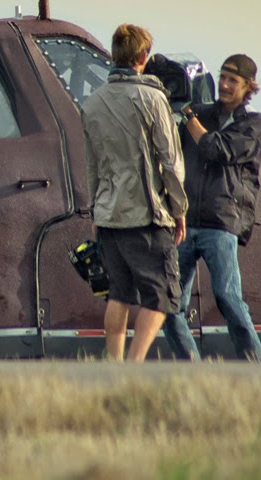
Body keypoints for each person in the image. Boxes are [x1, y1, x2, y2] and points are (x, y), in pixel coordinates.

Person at [81, 24, 187, 362]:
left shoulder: (92, 103)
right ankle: (135, 363)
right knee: (162, 296)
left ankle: (114, 364)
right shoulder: (153, 98)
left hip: (109, 215)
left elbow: (92, 166)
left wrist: (96, 212)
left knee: (118, 294)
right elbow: (170, 162)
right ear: (143, 56)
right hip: (146, 215)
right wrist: (178, 208)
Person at [163, 54, 261, 361]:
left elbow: (216, 149)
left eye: (232, 80)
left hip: (221, 223)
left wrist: (188, 118)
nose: (224, 84)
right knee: (171, 305)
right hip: (185, 221)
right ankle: (192, 369)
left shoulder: (252, 125)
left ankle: (258, 368)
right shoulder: (200, 114)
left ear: (248, 87)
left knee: (227, 297)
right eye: (222, 77)